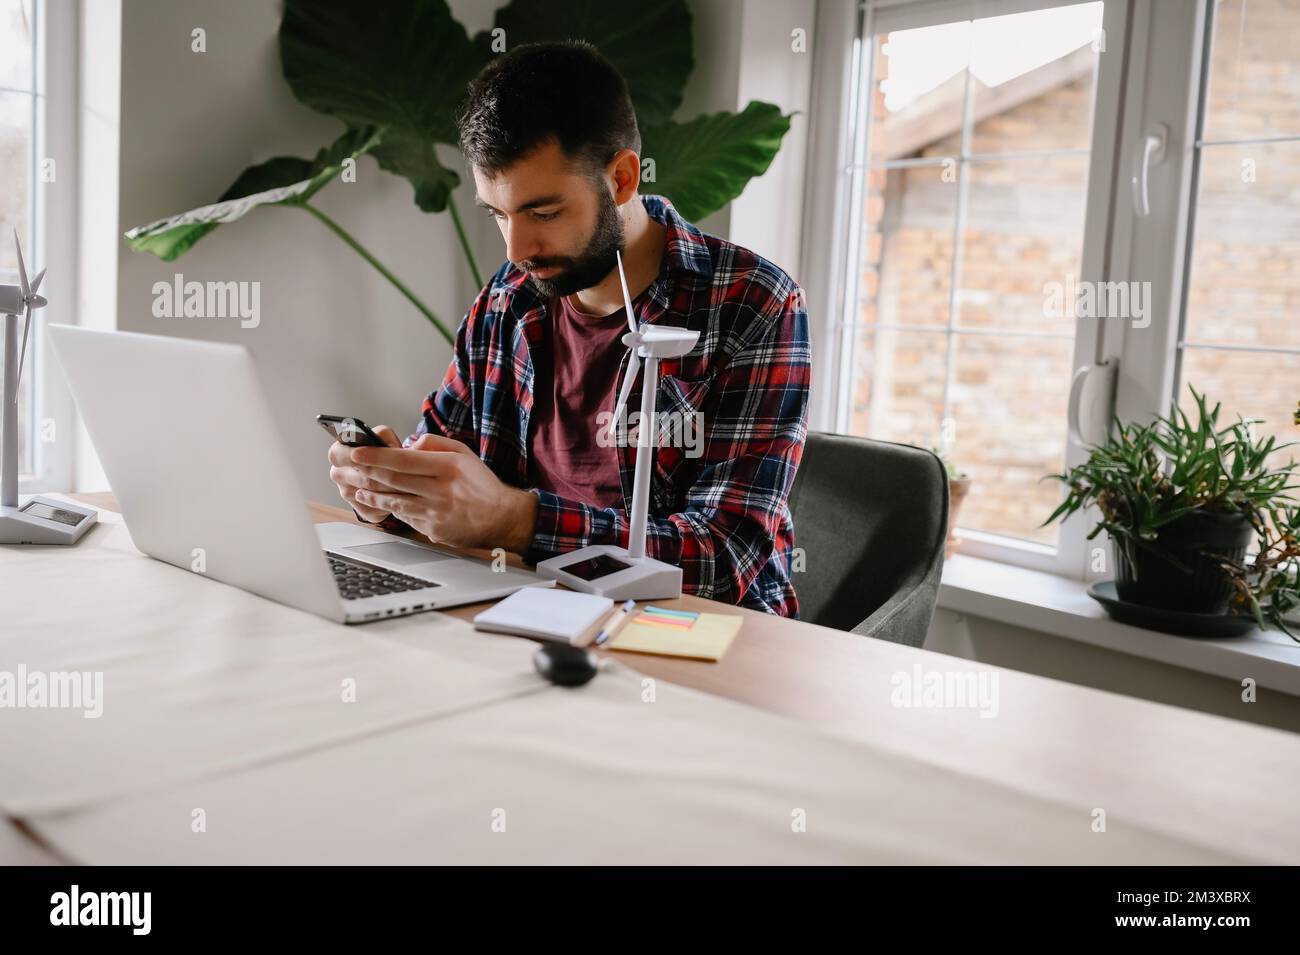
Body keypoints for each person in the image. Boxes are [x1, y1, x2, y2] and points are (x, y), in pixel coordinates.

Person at [327, 41, 810, 615]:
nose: (517, 248)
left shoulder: (751, 303)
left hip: (693, 635)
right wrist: (386, 491)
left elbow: (723, 558)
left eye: (544, 212)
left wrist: (516, 520)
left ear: (623, 178)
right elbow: (439, 453)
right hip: (524, 609)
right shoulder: (508, 301)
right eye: (498, 214)